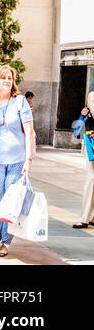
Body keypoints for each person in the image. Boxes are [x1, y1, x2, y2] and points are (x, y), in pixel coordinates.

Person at [0, 65, 35, 257]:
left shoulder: (20, 102)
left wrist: (28, 160)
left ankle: (6, 241)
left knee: (10, 202)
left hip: (16, 160)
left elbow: (29, 132)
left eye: (10, 78)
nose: (7, 81)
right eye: (3, 78)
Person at [73, 86, 94, 229]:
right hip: (92, 140)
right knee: (92, 177)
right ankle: (86, 217)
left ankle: (88, 217)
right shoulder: (92, 95)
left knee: (93, 178)